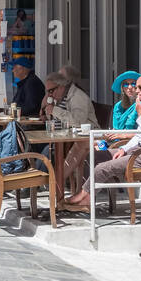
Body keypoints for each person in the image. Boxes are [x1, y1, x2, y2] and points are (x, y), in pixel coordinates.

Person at [63, 74, 141, 212]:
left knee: (101, 168)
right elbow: (139, 135)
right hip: (139, 151)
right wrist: (124, 148)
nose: (137, 91)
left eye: (140, 87)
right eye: (137, 88)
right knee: (93, 156)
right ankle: (85, 196)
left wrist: (140, 115)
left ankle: (83, 199)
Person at [41, 67, 99, 202]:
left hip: (92, 135)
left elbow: (79, 121)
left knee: (76, 148)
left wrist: (55, 111)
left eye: (51, 91)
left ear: (61, 87)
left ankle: (56, 185)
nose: (50, 94)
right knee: (60, 150)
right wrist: (47, 107)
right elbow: (55, 120)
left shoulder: (77, 96)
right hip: (76, 137)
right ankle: (60, 187)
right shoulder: (61, 97)